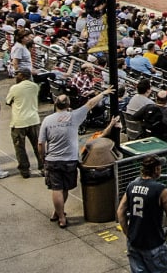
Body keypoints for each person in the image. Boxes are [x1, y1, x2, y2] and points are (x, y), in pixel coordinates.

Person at [38, 86, 111, 227]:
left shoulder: (47, 120)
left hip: (52, 159)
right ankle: (60, 216)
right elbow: (90, 104)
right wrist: (103, 93)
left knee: (56, 189)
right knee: (64, 188)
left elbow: (41, 143)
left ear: (55, 104)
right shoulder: (74, 116)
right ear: (69, 105)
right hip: (69, 159)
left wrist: (43, 158)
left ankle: (58, 214)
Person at [120, 155, 167, 273]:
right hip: (154, 244)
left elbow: (120, 211)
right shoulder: (160, 189)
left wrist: (128, 233)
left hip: (134, 243)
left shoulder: (132, 185)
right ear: (156, 169)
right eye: (160, 167)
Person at [6, 69, 43, 179]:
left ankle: (25, 170)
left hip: (19, 122)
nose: (16, 76)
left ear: (22, 76)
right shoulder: (35, 86)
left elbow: (8, 101)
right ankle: (43, 167)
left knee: (20, 148)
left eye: (17, 74)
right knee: (38, 146)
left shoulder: (14, 88)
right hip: (33, 120)